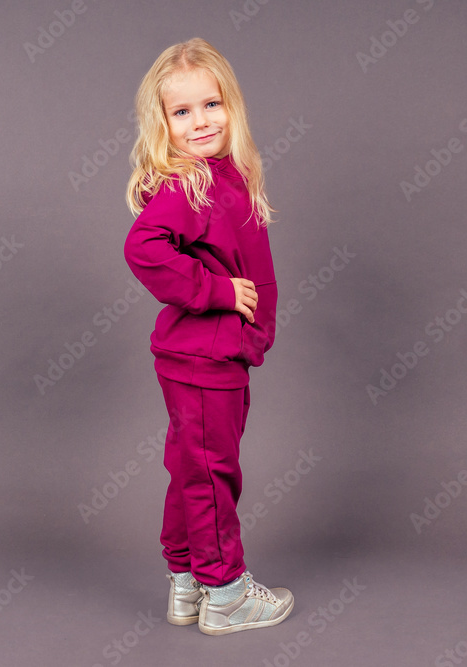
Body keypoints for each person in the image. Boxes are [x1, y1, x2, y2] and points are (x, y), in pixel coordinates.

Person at [123, 37, 293, 636]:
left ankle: (187, 578)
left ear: (232, 106)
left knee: (192, 468)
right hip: (203, 357)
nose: (200, 121)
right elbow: (143, 248)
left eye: (211, 105)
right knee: (213, 472)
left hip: (212, 357)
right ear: (162, 123)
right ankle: (225, 592)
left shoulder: (225, 177)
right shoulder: (189, 184)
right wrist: (218, 292)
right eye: (182, 111)